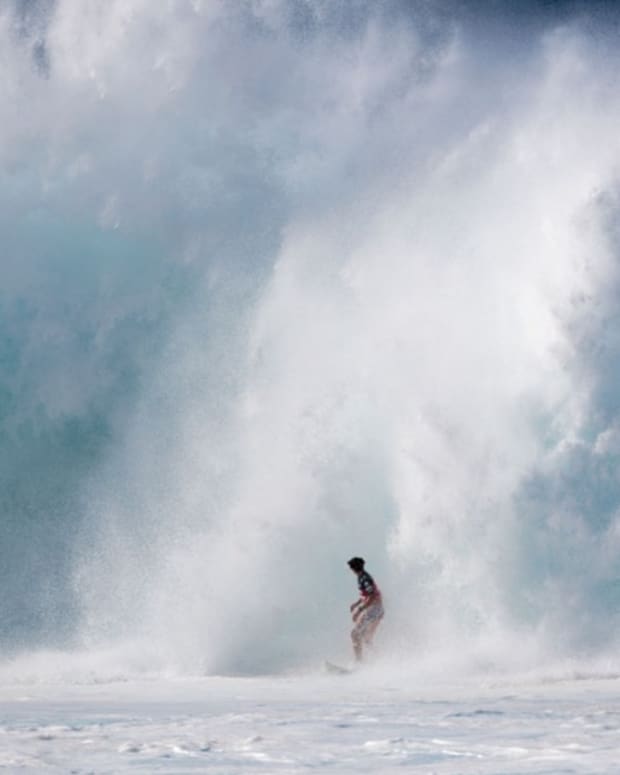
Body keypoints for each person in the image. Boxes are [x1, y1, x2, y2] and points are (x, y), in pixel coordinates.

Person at [348, 556, 383, 661]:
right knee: (366, 638)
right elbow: (367, 595)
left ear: (353, 568)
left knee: (355, 634)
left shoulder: (364, 578)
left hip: (374, 609)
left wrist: (359, 610)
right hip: (377, 609)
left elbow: (372, 596)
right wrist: (356, 603)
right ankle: (380, 660)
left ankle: (359, 663)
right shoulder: (362, 577)